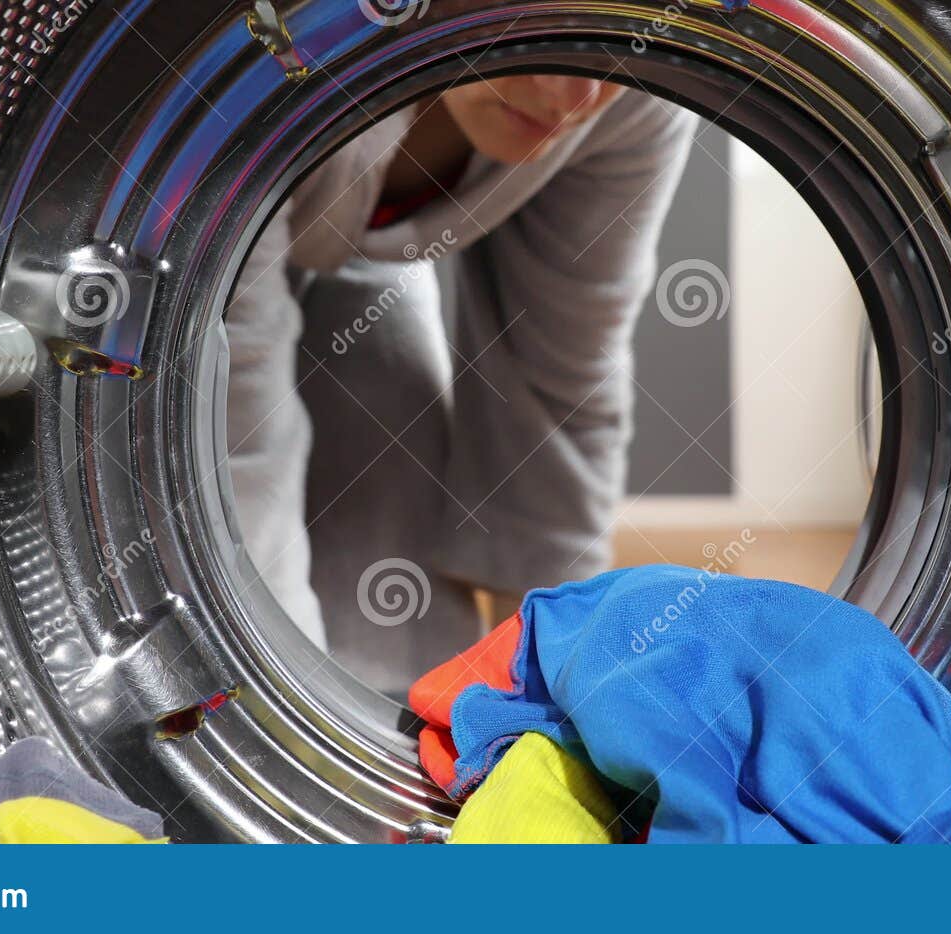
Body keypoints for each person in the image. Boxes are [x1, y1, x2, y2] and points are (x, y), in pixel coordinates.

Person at [224, 74, 697, 694]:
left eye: (598, 42)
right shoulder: (265, 59)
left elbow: (557, 389)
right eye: (530, 13)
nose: (572, 96)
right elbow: (238, 438)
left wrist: (559, 696)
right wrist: (274, 721)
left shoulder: (641, 96)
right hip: (149, 291)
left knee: (396, 641)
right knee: (240, 648)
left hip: (359, 269)